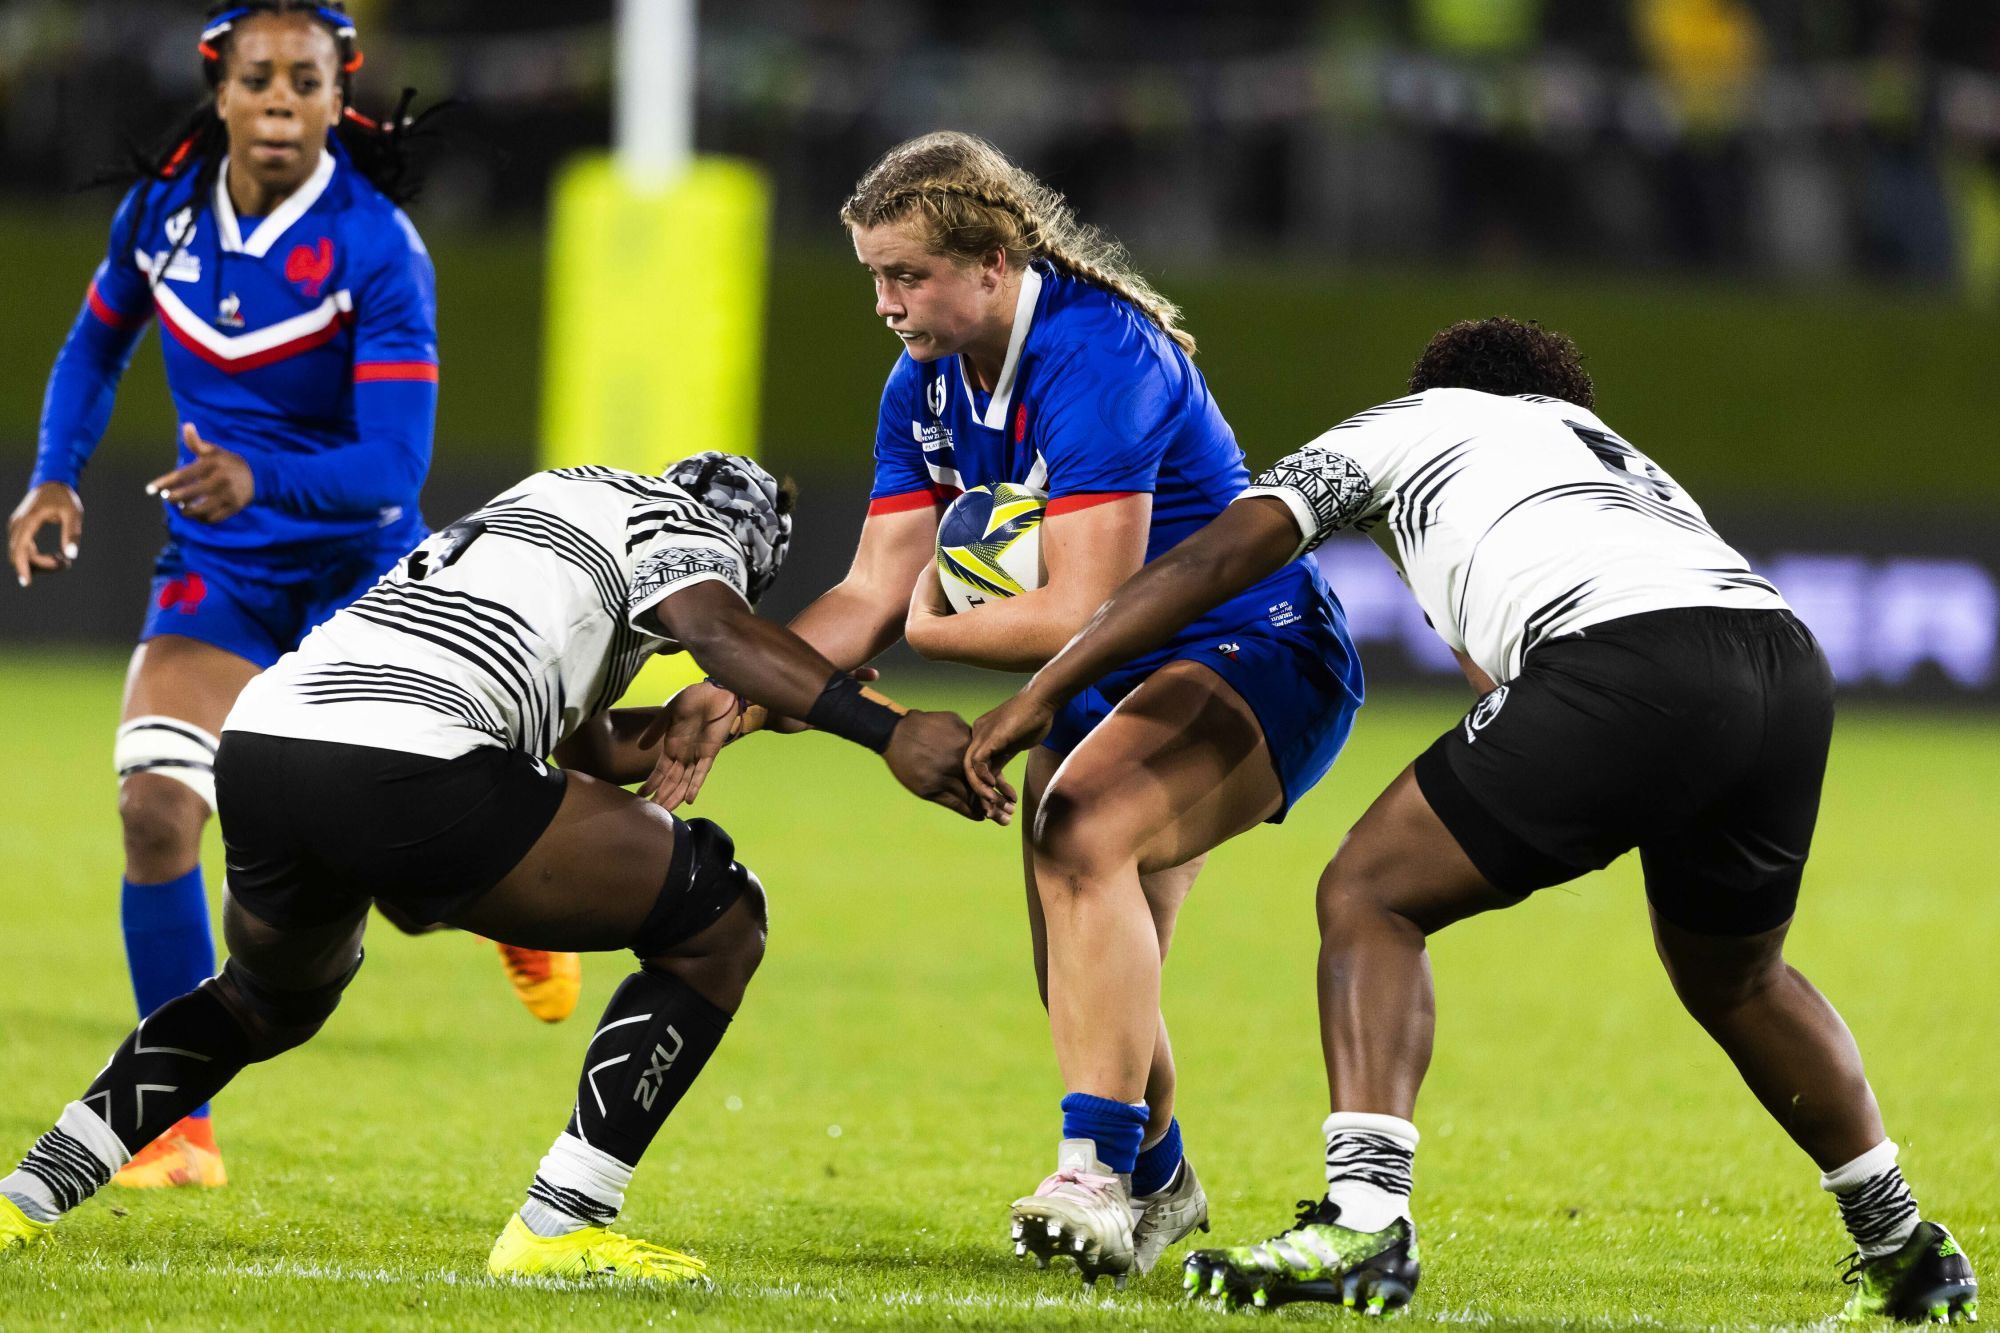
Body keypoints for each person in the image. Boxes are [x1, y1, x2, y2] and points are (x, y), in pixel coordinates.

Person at [963, 317, 1979, 1323]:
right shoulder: (1607, 453)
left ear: (1445, 384)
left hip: (1626, 661)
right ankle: (1902, 1242)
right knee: (1738, 976)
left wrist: (1044, 688)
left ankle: (1365, 1220)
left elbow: (1213, 560)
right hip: (1782, 664)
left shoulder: (1410, 424)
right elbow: (1509, 679)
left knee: (1368, 893)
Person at [645, 131, 1365, 1287]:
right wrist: (736, 692)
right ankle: (1156, 1180)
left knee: (1079, 832)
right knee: (1077, 958)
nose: (884, 303)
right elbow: (869, 590)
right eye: (874, 276)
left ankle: (1087, 1173)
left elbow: (1082, 604)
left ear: (992, 263)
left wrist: (931, 634)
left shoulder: (1097, 352)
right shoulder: (923, 383)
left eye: (907, 275)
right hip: (1099, 676)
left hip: (1255, 647)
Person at [0, 451, 1000, 1280]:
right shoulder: (683, 531)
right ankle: (563, 1221)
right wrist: (886, 729)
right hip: (410, 758)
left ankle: (27, 1193)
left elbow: (593, 745)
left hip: (268, 738)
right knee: (719, 913)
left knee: (262, 999)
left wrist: (762, 707)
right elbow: (716, 630)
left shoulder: (551, 501)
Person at [3, 1, 577, 1188]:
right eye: (258, 77)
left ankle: (507, 903)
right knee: (154, 811)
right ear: (218, 89)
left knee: (400, 872)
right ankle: (174, 1130)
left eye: (304, 82)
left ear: (337, 98)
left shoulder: (376, 244)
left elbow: (393, 469)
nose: (279, 100)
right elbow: (96, 344)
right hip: (220, 572)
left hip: (360, 584)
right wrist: (55, 473)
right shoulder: (160, 215)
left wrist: (255, 477)